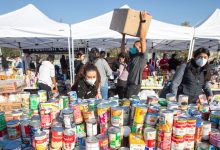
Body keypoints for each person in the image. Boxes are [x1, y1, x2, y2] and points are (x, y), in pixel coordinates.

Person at [126, 11, 148, 98]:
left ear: (141, 48)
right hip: (129, 83)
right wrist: (123, 36)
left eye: (136, 47)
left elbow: (142, 38)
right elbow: (123, 51)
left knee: (129, 104)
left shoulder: (142, 56)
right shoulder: (133, 55)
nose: (133, 48)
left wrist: (143, 22)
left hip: (134, 85)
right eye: (133, 46)